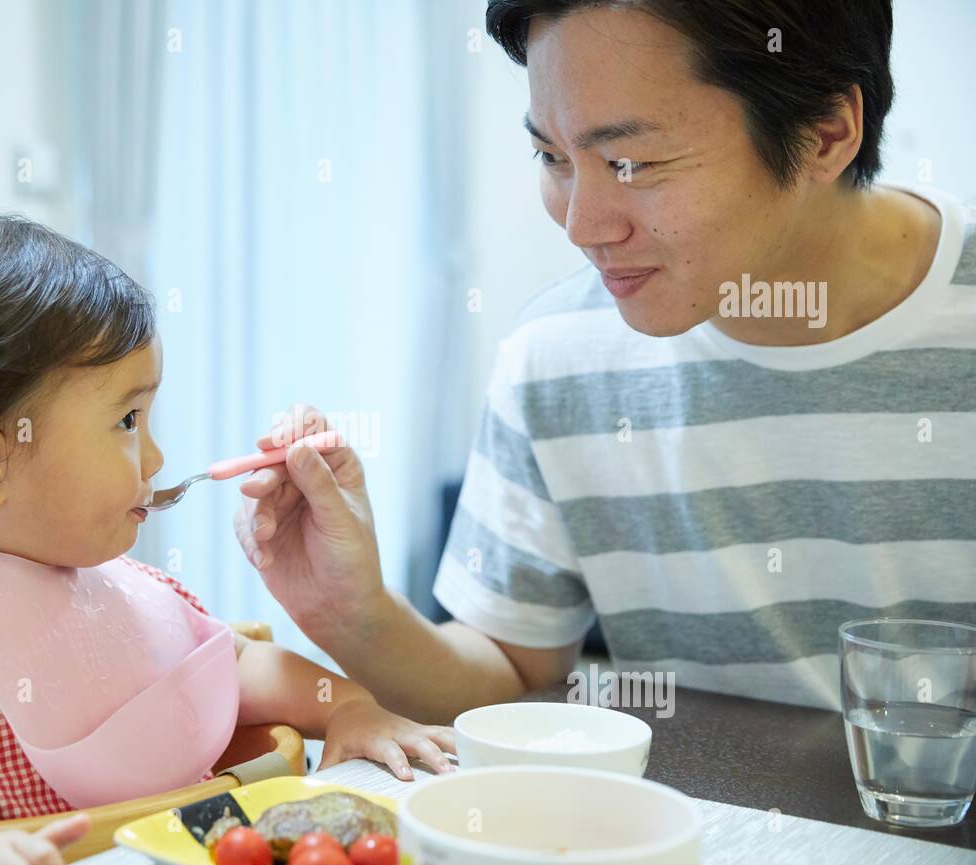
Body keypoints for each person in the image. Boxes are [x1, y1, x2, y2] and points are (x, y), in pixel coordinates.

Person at [233, 0, 976, 724]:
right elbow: (512, 679)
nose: (581, 226)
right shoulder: (556, 356)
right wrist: (351, 612)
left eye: (632, 162)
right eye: (553, 156)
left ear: (825, 132)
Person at [0, 216, 454, 865]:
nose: (156, 457)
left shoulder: (115, 582)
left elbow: (238, 666)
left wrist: (352, 709)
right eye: (127, 420)